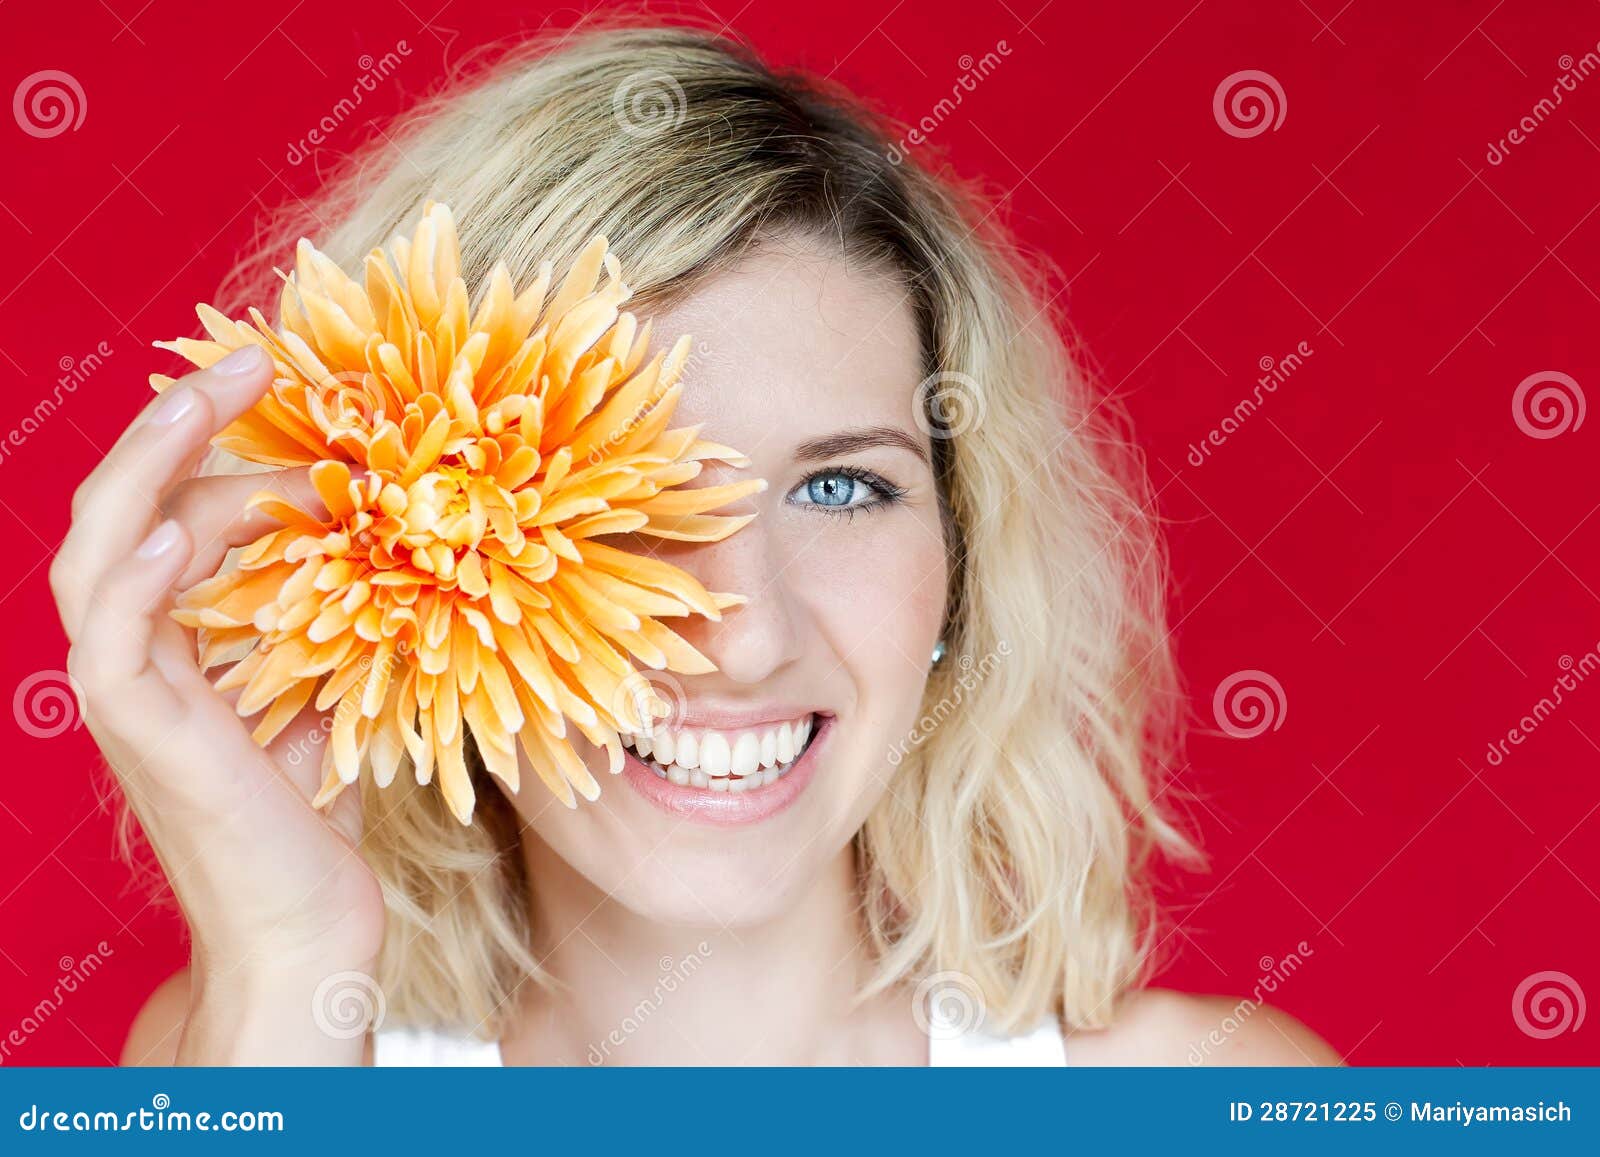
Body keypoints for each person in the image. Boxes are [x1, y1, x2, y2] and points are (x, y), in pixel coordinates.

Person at [51, 20, 1339, 1066]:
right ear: (400, 559)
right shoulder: (261, 1059)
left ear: (962, 566)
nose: (741, 636)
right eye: (621, 505)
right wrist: (284, 955)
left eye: (840, 490)